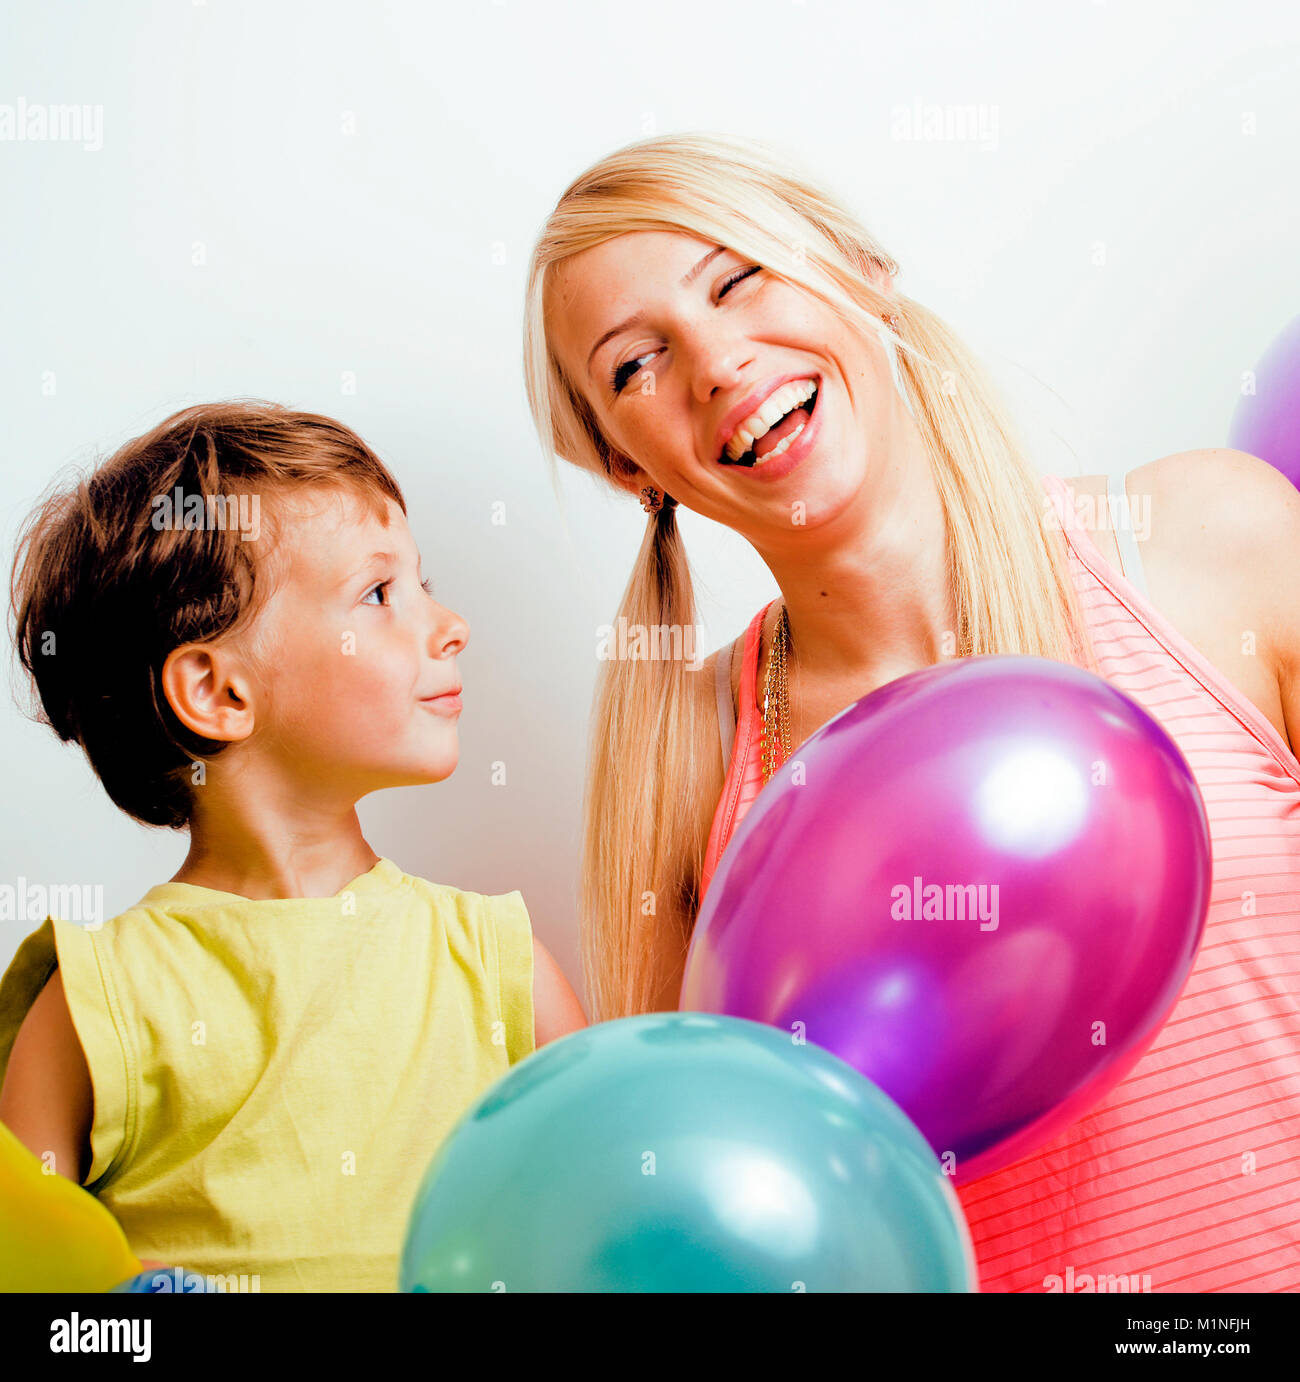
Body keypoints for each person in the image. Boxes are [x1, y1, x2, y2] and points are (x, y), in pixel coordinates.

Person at [523, 131, 1300, 1292]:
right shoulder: (691, 759)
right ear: (627, 466)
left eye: (736, 278)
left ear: (859, 266)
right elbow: (719, 1208)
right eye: (634, 364)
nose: (717, 362)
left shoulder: (1208, 540)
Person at [0, 401, 587, 1290]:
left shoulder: (498, 965)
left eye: (423, 582)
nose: (450, 624)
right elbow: (33, 1281)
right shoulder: (92, 1003)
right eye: (381, 593)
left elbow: (599, 1221)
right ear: (218, 690)